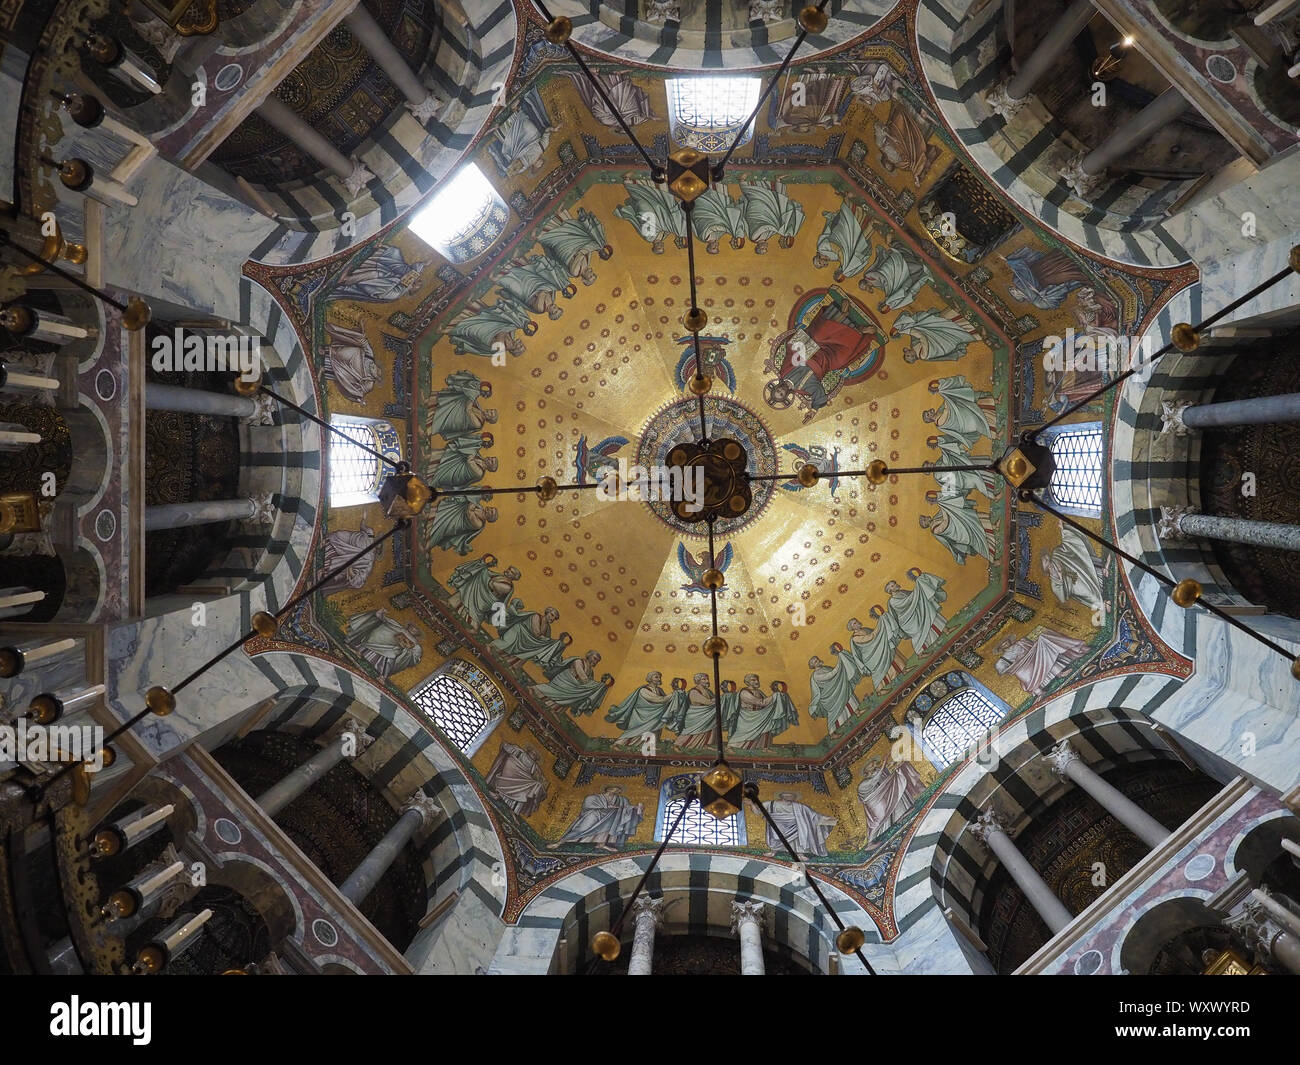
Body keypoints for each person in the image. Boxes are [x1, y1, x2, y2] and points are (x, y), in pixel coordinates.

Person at [548, 785, 644, 851]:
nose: (618, 791)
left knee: (615, 821)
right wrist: (607, 807)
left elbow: (625, 808)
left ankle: (602, 844)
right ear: (609, 789)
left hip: (611, 818)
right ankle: (560, 842)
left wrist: (635, 808)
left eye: (619, 790)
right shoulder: (594, 797)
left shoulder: (621, 799)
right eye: (615, 789)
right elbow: (588, 805)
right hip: (594, 815)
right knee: (581, 828)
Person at [858, 755, 925, 843]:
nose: (874, 765)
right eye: (871, 765)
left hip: (888, 794)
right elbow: (875, 780)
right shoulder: (862, 785)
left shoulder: (879, 772)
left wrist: (895, 764)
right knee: (880, 818)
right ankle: (874, 840)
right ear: (866, 771)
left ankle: (904, 815)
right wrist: (884, 764)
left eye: (874, 763)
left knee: (897, 794)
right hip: (875, 803)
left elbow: (887, 775)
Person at [765, 793, 838, 858]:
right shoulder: (771, 804)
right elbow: (758, 810)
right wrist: (753, 802)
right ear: (781, 796)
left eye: (791, 795)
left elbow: (813, 816)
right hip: (777, 825)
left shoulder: (799, 806)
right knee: (775, 835)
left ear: (794, 797)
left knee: (801, 829)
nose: (789, 796)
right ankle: (773, 851)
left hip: (795, 826)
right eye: (786, 795)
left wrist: (826, 819)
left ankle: (799, 853)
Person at [486, 743, 548, 816]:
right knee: (511, 762)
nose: (533, 755)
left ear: (536, 758)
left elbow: (539, 778)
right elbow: (505, 746)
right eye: (532, 752)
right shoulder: (519, 752)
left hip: (522, 782)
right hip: (511, 774)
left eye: (535, 755)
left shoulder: (535, 766)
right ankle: (499, 795)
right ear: (528, 750)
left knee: (534, 786)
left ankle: (513, 810)